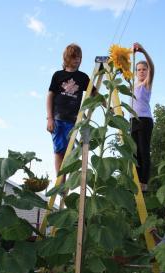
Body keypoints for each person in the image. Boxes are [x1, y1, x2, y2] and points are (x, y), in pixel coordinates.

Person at [46, 43, 93, 175]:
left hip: (74, 121)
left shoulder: (82, 77)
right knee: (59, 152)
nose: (77, 60)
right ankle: (60, 185)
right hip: (58, 119)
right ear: (67, 58)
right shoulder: (58, 75)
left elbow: (94, 93)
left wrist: (110, 108)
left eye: (79, 57)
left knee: (71, 154)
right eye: (74, 57)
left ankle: (66, 188)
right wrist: (49, 118)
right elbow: (50, 96)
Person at [131, 42, 155, 192]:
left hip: (145, 120)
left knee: (143, 150)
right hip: (133, 120)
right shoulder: (132, 85)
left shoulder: (147, 83)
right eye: (139, 70)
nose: (141, 72)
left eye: (144, 69)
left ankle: (144, 182)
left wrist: (143, 51)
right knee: (134, 152)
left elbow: (153, 67)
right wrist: (130, 53)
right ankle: (135, 179)